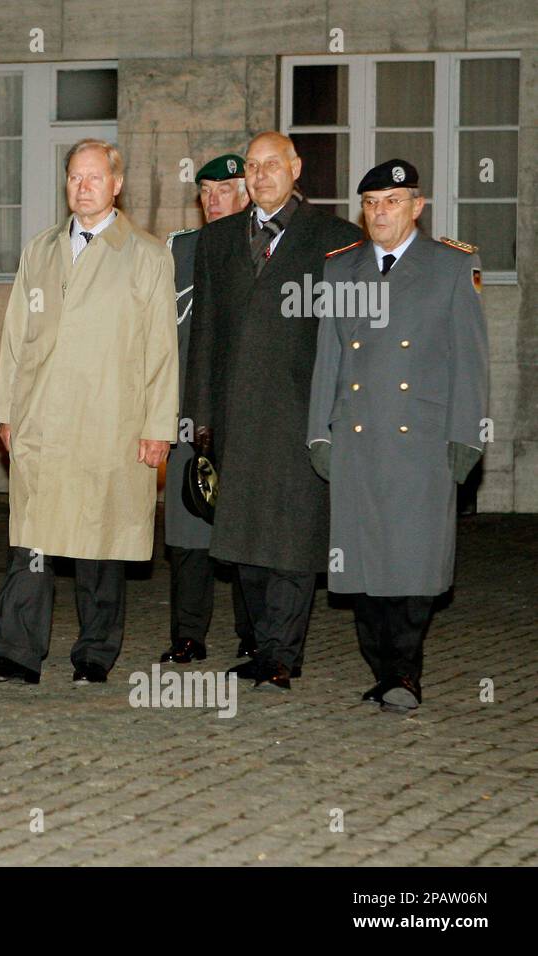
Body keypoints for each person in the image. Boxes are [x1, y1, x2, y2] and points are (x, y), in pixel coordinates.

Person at [0, 139, 178, 686]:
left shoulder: (148, 255)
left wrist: (159, 427)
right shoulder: (39, 251)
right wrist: (5, 412)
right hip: (41, 422)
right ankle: (17, 654)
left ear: (116, 184)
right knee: (31, 543)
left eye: (93, 177)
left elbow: (161, 348)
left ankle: (94, 654)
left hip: (111, 423)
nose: (82, 187)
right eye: (73, 178)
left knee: (101, 545)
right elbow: (15, 337)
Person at [307, 159, 489, 714]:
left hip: (422, 440)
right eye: (370, 203)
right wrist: (319, 432)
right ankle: (383, 668)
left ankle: (404, 674)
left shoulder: (452, 266)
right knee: (360, 566)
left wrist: (468, 436)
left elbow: (472, 360)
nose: (380, 212)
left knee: (411, 564)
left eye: (391, 201)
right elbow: (329, 357)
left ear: (417, 206)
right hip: (357, 436)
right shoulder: (342, 269)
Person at [185, 131, 362, 691]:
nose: (261, 176)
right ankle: (263, 648)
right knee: (243, 543)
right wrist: (200, 415)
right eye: (253, 168)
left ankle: (283, 654)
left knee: (291, 540)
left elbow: (351, 337)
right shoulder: (216, 242)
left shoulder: (336, 240)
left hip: (299, 415)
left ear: (296, 168)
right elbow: (205, 333)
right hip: (235, 416)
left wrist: (341, 416)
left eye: (271, 165)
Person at [161, 153, 256, 665]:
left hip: (245, 415)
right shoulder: (179, 250)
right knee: (187, 532)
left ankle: (254, 633)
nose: (213, 199)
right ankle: (189, 635)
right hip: (187, 412)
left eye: (225, 189)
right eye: (205, 191)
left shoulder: (262, 249)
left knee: (244, 530)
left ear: (248, 193)